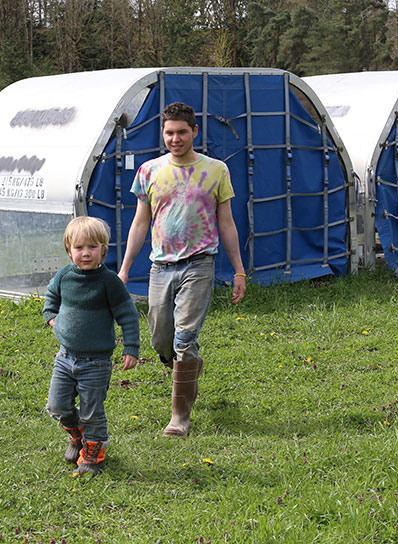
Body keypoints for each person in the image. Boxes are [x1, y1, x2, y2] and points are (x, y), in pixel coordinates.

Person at [118, 101, 246, 437]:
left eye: (182, 132)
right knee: (161, 340)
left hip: (199, 264)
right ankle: (188, 366)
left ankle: (179, 417)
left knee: (184, 337)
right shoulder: (149, 171)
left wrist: (239, 271)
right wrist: (125, 268)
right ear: (163, 133)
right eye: (169, 133)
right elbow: (140, 222)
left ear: (194, 132)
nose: (175, 139)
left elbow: (227, 223)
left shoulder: (216, 170)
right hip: (160, 266)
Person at [43, 216, 140, 476]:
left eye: (92, 247)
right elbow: (51, 297)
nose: (85, 253)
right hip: (65, 358)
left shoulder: (109, 283)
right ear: (69, 250)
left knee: (91, 411)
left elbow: (128, 315)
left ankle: (93, 455)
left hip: (96, 363)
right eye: (79, 248)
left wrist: (130, 347)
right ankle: (77, 437)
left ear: (103, 250)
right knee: (57, 406)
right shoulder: (64, 276)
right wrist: (51, 317)